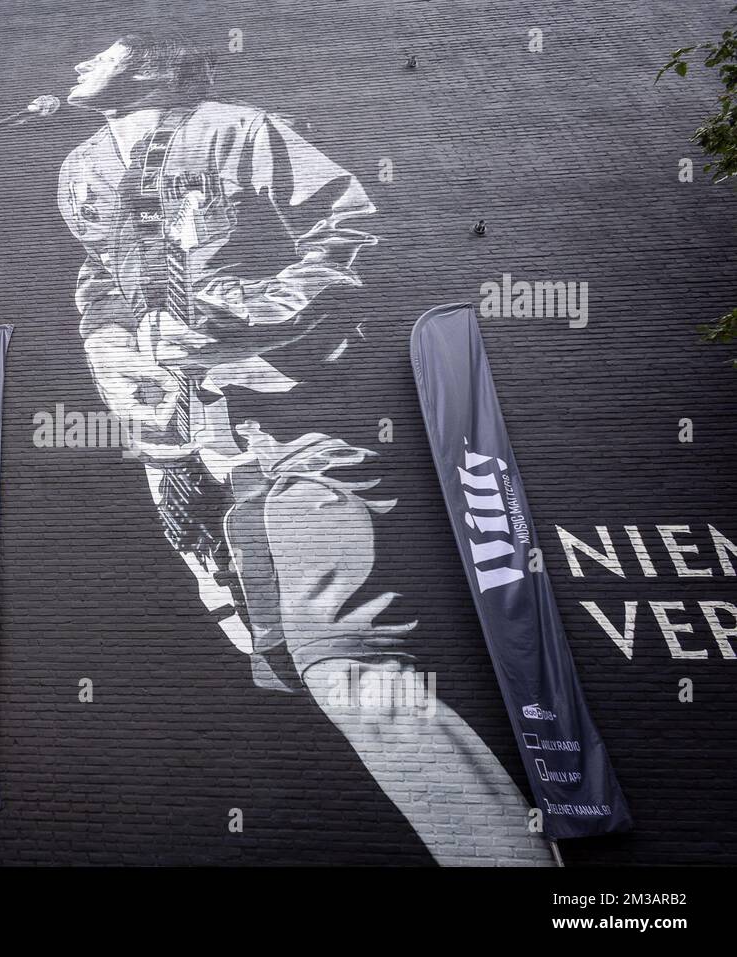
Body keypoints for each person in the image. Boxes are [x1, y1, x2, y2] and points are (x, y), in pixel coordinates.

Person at [56, 33, 554, 865]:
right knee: (290, 660)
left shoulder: (242, 129)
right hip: (212, 460)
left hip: (302, 433)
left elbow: (356, 237)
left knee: (345, 658)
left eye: (91, 46)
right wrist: (111, 348)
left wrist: (231, 310)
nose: (72, 64)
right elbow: (103, 280)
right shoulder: (81, 168)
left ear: (145, 56)